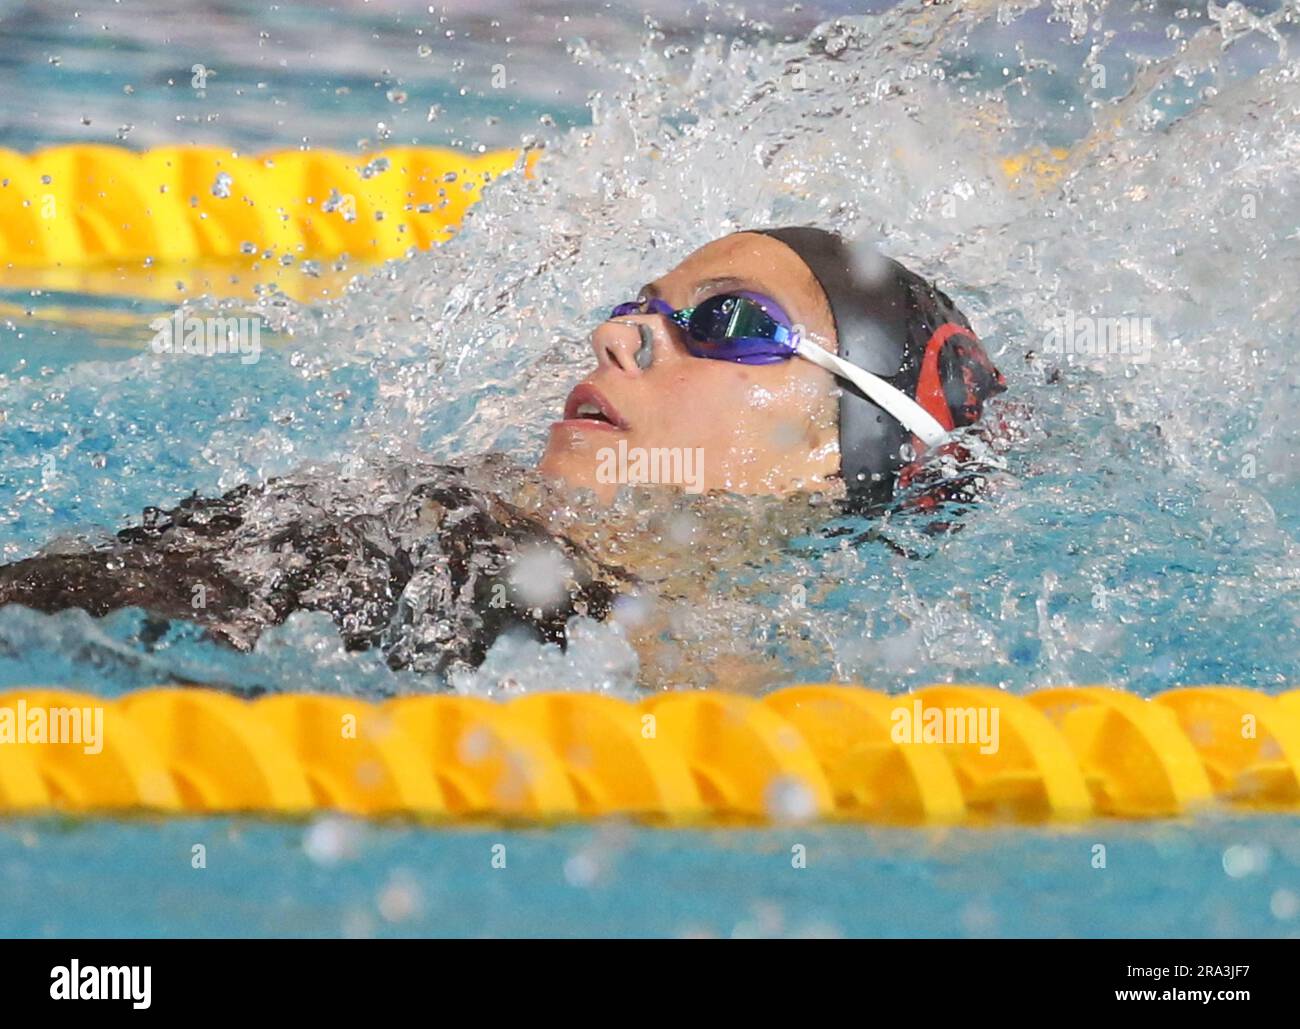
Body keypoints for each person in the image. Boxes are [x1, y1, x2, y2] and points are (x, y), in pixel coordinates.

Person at [0, 227, 1004, 682]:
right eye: (632, 310)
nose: (619, 338)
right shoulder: (460, 520)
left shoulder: (711, 679)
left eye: (726, 320)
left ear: (837, 456)